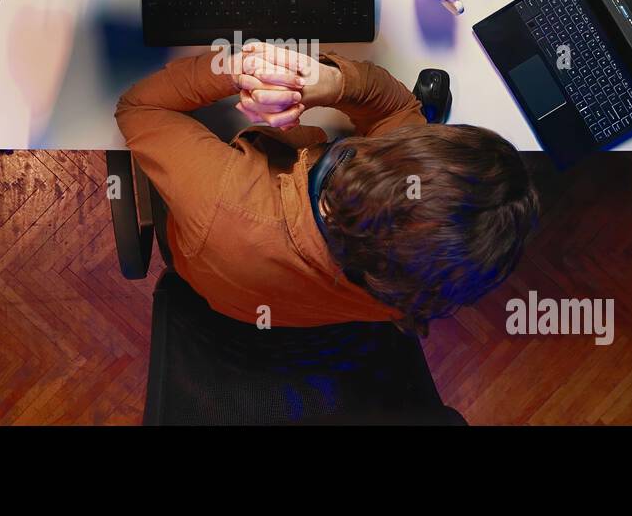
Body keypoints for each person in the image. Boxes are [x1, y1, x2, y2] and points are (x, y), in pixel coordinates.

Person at [114, 42, 538, 334]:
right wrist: (334, 84)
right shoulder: (420, 281)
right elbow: (399, 109)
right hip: (284, 302)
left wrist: (238, 69)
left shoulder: (224, 200)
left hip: (212, 253)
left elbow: (137, 106)